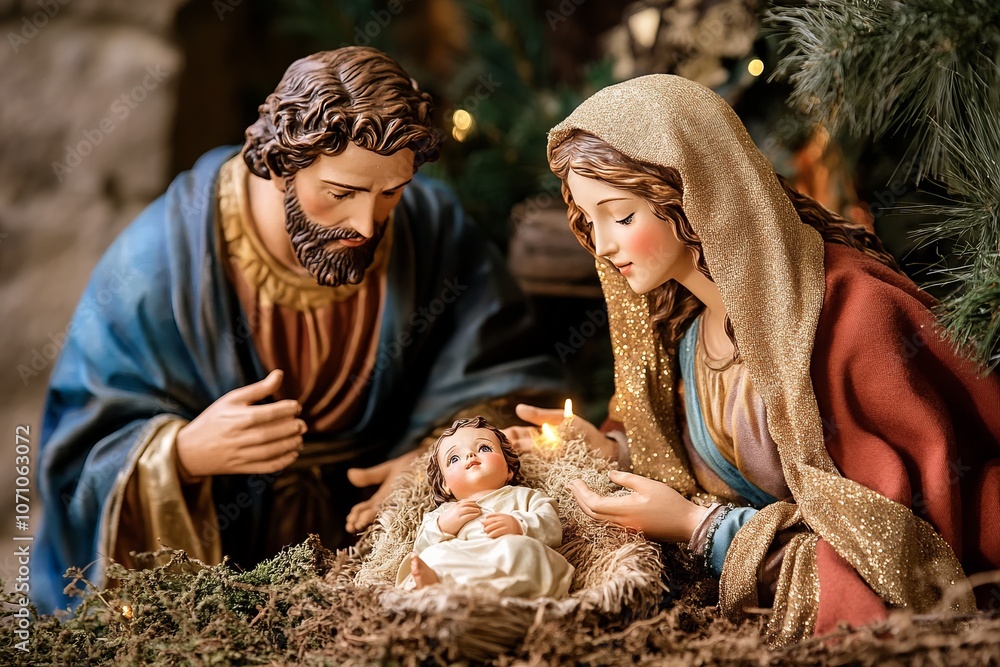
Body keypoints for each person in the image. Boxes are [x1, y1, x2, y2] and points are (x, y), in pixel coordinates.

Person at [35, 47, 563, 614]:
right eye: (340, 194)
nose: (366, 224)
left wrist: (431, 461)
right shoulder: (158, 262)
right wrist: (181, 453)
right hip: (222, 575)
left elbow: (506, 378)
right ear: (283, 164)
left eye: (390, 193)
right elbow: (75, 452)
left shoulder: (427, 227)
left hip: (387, 564)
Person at [506, 74, 1000, 645]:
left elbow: (901, 559)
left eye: (620, 216)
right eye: (589, 221)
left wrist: (702, 527)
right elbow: (684, 457)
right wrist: (612, 447)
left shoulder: (849, 317)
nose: (603, 244)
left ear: (695, 194)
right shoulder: (685, 327)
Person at [396, 417, 574, 599]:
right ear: (445, 484)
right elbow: (421, 547)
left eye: (484, 448)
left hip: (505, 557)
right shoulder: (443, 513)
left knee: (522, 549)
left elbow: (552, 527)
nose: (470, 456)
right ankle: (435, 586)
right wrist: (443, 526)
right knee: (434, 554)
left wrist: (519, 525)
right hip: (462, 560)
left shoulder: (525, 496)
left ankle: (488, 593)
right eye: (454, 458)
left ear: (508, 469)